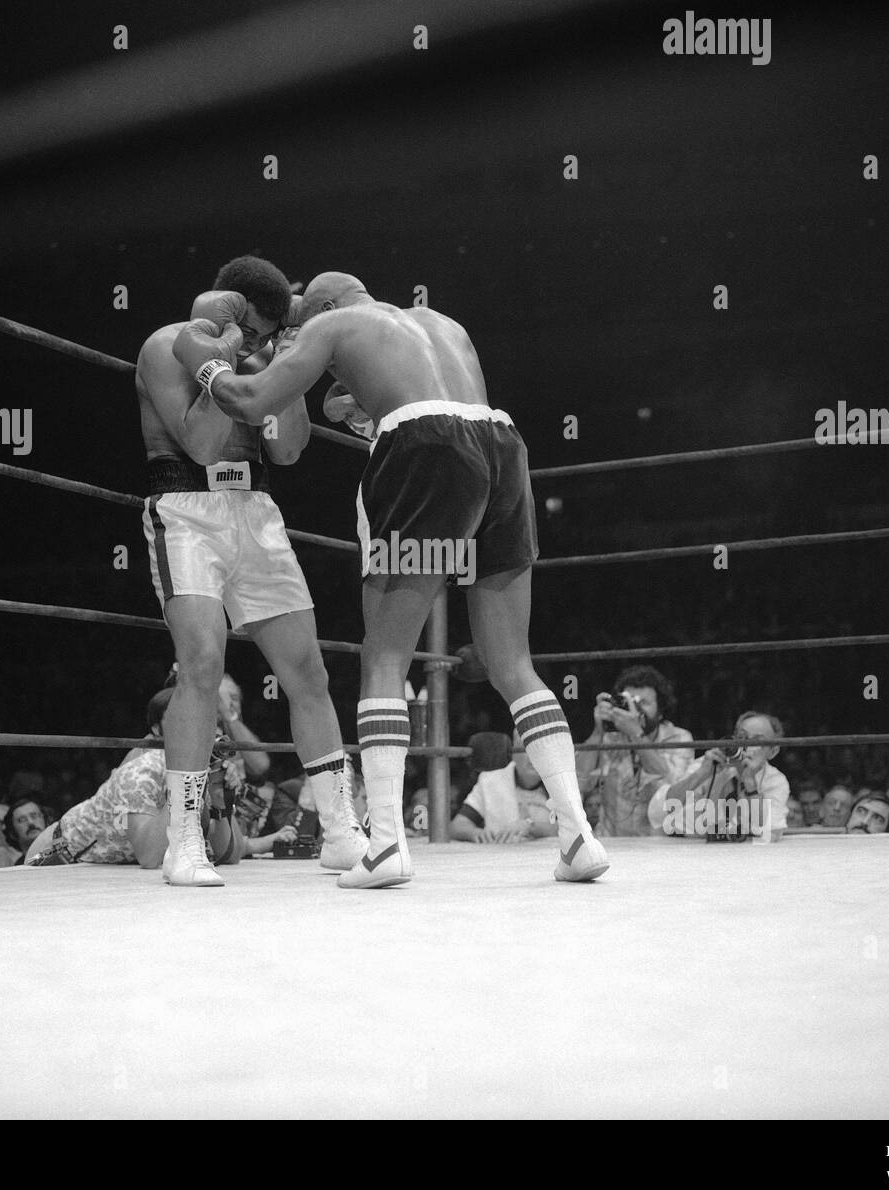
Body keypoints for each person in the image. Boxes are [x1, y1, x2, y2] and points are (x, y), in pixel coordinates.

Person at [197, 271, 609, 887]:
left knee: (385, 656)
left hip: (422, 446)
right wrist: (361, 407)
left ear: (325, 307)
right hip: (501, 443)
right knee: (512, 662)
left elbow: (253, 400)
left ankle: (385, 844)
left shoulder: (332, 323)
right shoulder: (443, 325)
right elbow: (435, 407)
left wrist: (203, 362)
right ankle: (579, 837)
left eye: (300, 324)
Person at [134, 255, 367, 886]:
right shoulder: (163, 346)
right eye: (255, 329)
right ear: (228, 309)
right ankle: (184, 842)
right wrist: (228, 354)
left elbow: (288, 450)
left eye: (270, 333)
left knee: (308, 670)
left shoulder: (265, 357)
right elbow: (205, 444)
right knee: (203, 665)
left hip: (257, 511)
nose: (261, 343)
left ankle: (342, 830)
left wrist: (285, 363)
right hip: (186, 510)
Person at [24, 689, 297, 868]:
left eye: (207, 720)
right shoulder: (140, 771)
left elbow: (230, 856)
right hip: (62, 856)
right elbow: (151, 858)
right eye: (186, 720)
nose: (201, 728)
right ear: (157, 729)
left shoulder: (215, 770)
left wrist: (220, 800)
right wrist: (186, 784)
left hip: (111, 868)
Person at [575, 666, 693, 837]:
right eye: (630, 702)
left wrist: (636, 734)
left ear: (661, 711)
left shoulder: (679, 738)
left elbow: (673, 789)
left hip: (660, 846)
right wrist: (598, 731)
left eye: (643, 703)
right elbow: (579, 782)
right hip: (613, 845)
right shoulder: (610, 739)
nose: (635, 710)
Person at [648, 711, 791, 840]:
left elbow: (768, 833)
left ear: (773, 752)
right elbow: (662, 810)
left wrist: (749, 783)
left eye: (757, 741)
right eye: (742, 737)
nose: (747, 744)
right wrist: (701, 775)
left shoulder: (776, 781)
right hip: (688, 849)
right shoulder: (710, 764)